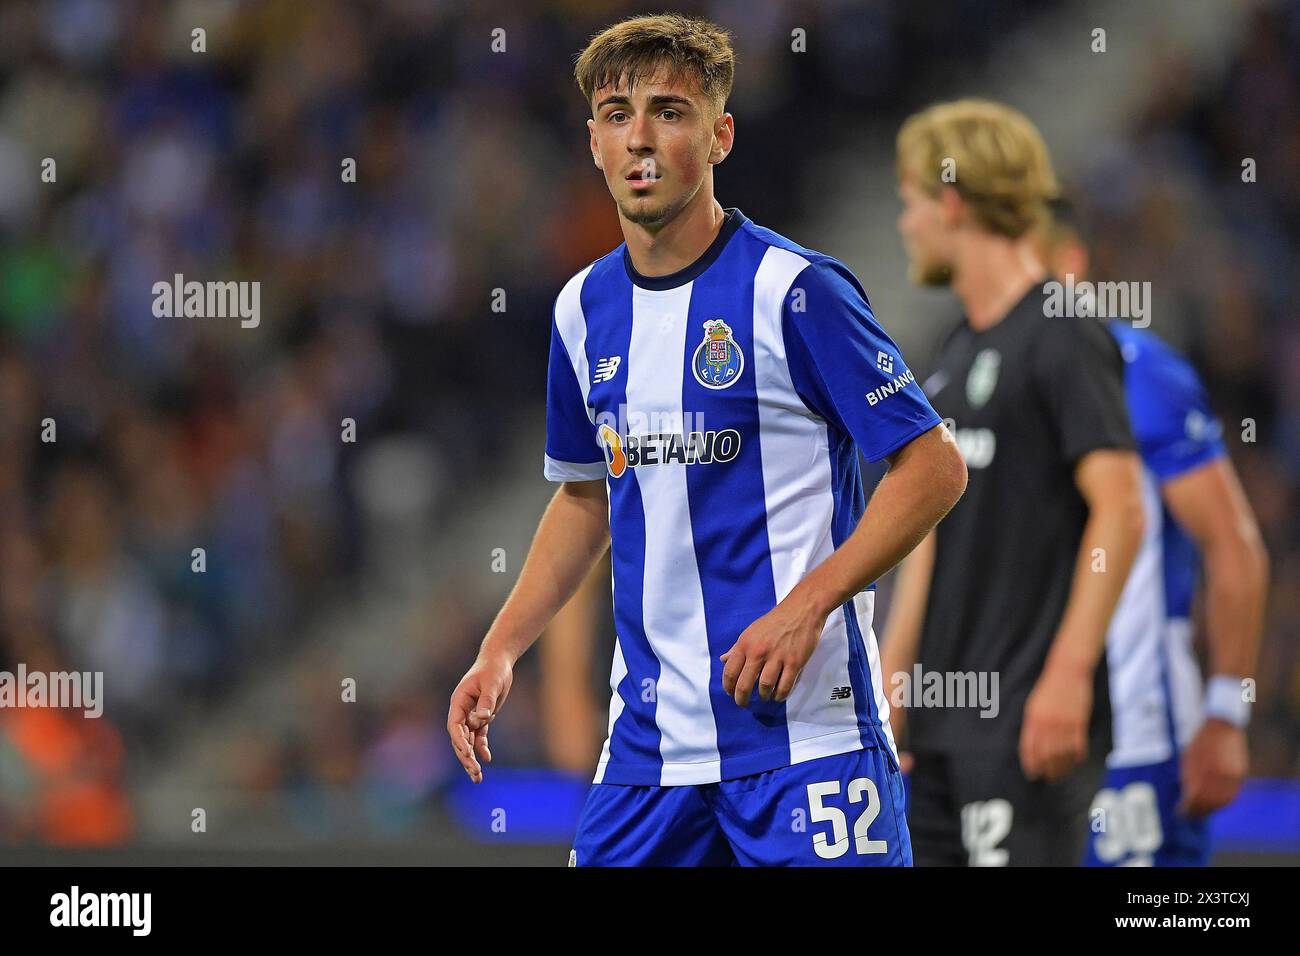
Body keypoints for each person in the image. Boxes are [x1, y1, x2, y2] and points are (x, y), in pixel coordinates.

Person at [447, 13, 967, 866]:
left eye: (669, 112)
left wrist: (807, 605)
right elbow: (586, 495)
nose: (640, 139)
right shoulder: (581, 310)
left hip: (806, 741)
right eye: (617, 115)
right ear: (592, 143)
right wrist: (500, 651)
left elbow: (934, 466)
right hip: (648, 758)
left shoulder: (795, 291)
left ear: (720, 135)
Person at [882, 99, 1145, 866]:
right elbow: (924, 536)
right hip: (936, 735)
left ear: (953, 201)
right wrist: (894, 692)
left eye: (912, 201)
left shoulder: (1065, 332)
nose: (906, 224)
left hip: (1024, 724)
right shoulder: (953, 350)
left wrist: (1067, 677)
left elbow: (1122, 509)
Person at [1039, 198, 1268, 866]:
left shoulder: (1139, 371)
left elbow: (1233, 545)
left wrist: (1228, 711)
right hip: (1009, 737)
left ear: (1069, 265)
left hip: (1139, 737)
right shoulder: (970, 376)